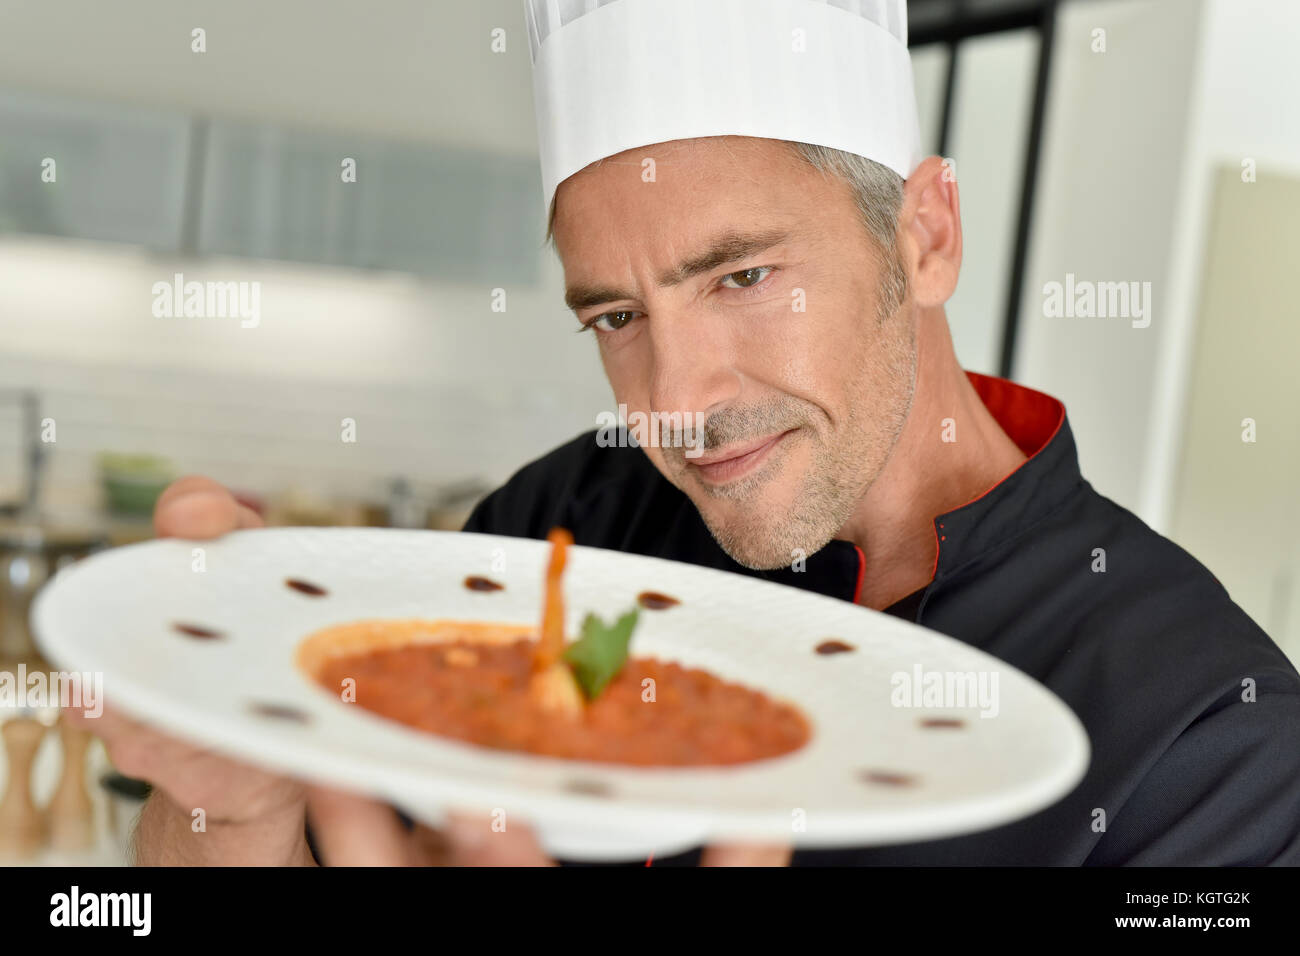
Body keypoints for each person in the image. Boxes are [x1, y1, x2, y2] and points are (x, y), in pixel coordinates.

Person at [68, 0, 1300, 865]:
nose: (675, 398)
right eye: (613, 313)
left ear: (923, 235)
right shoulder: (558, 529)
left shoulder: (1209, 730)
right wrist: (231, 789)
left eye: (742, 277)